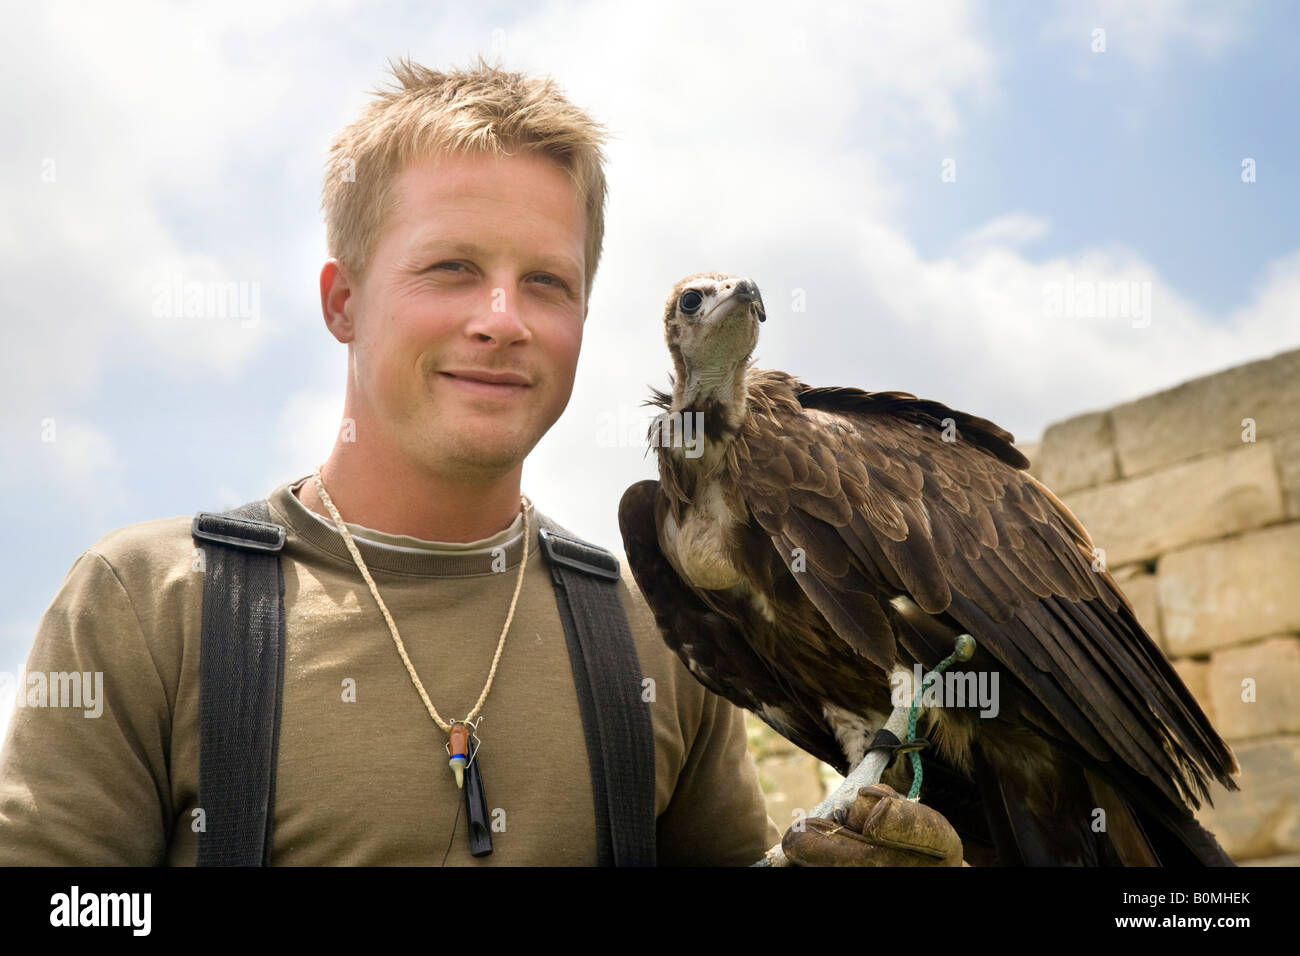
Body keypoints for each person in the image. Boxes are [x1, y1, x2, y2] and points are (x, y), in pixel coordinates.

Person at [0, 55, 961, 867]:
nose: (501, 321)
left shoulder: (663, 636)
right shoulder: (148, 604)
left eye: (546, 282)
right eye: (452, 267)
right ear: (342, 302)